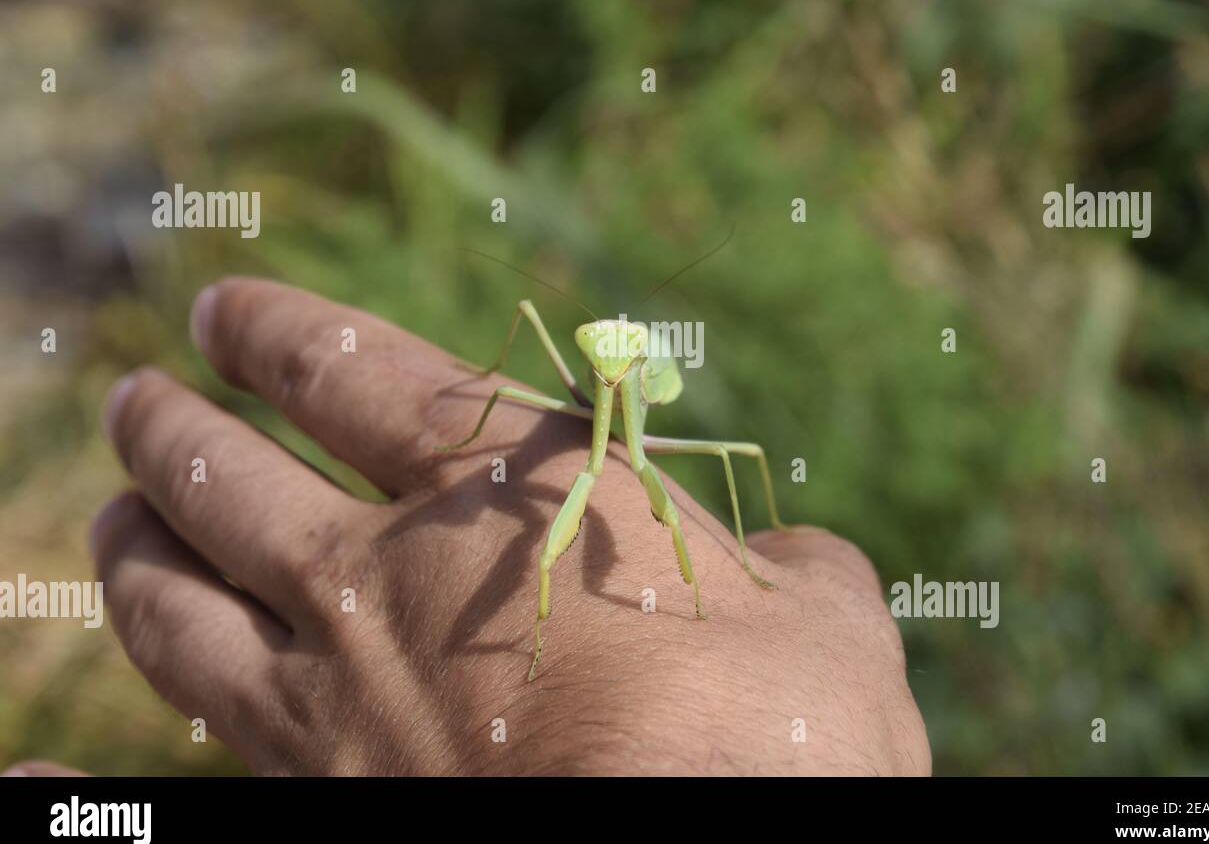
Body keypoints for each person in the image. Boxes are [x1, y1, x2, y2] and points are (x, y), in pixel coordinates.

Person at [4, 278, 929, 776]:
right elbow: (555, 347)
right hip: (584, 423)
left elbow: (637, 475)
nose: (603, 363)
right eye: (596, 354)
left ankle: (618, 611)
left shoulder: (640, 396)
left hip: (643, 439)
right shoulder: (583, 369)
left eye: (615, 359)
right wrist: (486, 408)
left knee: (734, 456)